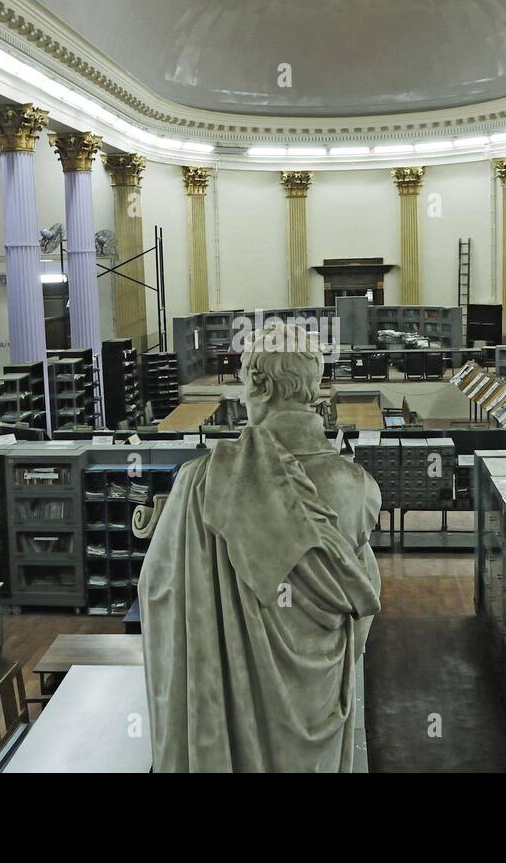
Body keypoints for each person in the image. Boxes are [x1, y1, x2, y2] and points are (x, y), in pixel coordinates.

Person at [138, 319, 382, 771]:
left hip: (232, 717)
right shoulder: (358, 487)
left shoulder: (203, 483)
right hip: (319, 702)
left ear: (261, 384)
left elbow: (159, 592)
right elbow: (361, 596)